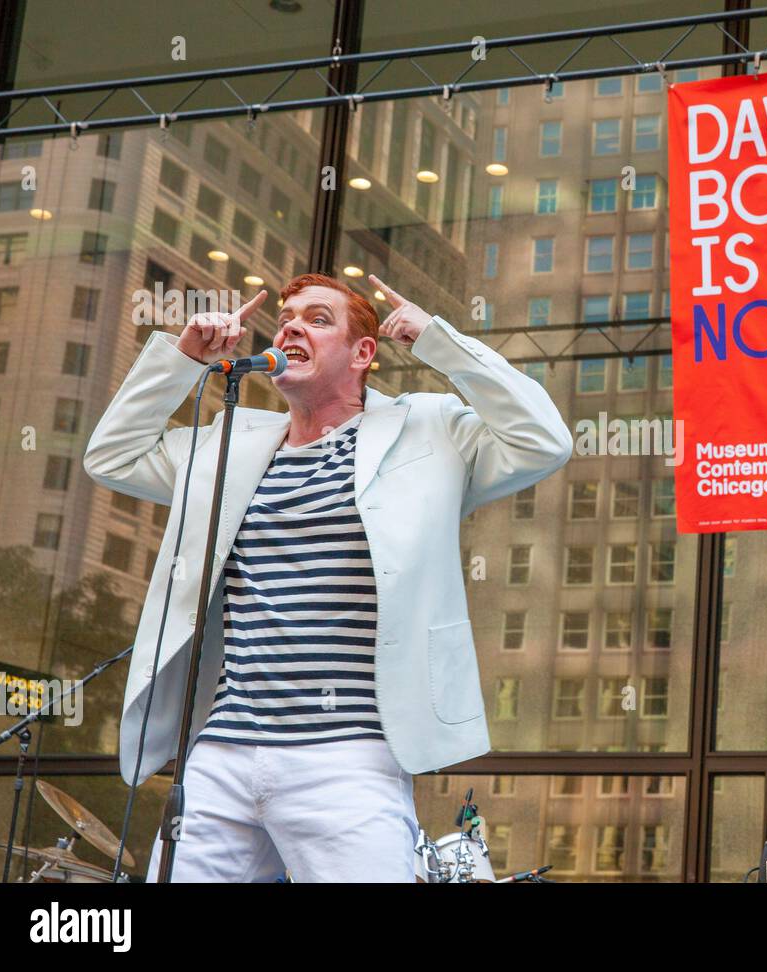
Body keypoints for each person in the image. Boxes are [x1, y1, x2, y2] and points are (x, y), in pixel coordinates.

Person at [83, 272, 572, 881]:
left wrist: (438, 343)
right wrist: (183, 361)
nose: (290, 325)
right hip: (222, 753)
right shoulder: (228, 445)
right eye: (287, 317)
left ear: (363, 354)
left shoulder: (427, 430)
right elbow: (112, 455)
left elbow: (543, 439)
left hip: (347, 755)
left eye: (318, 319)